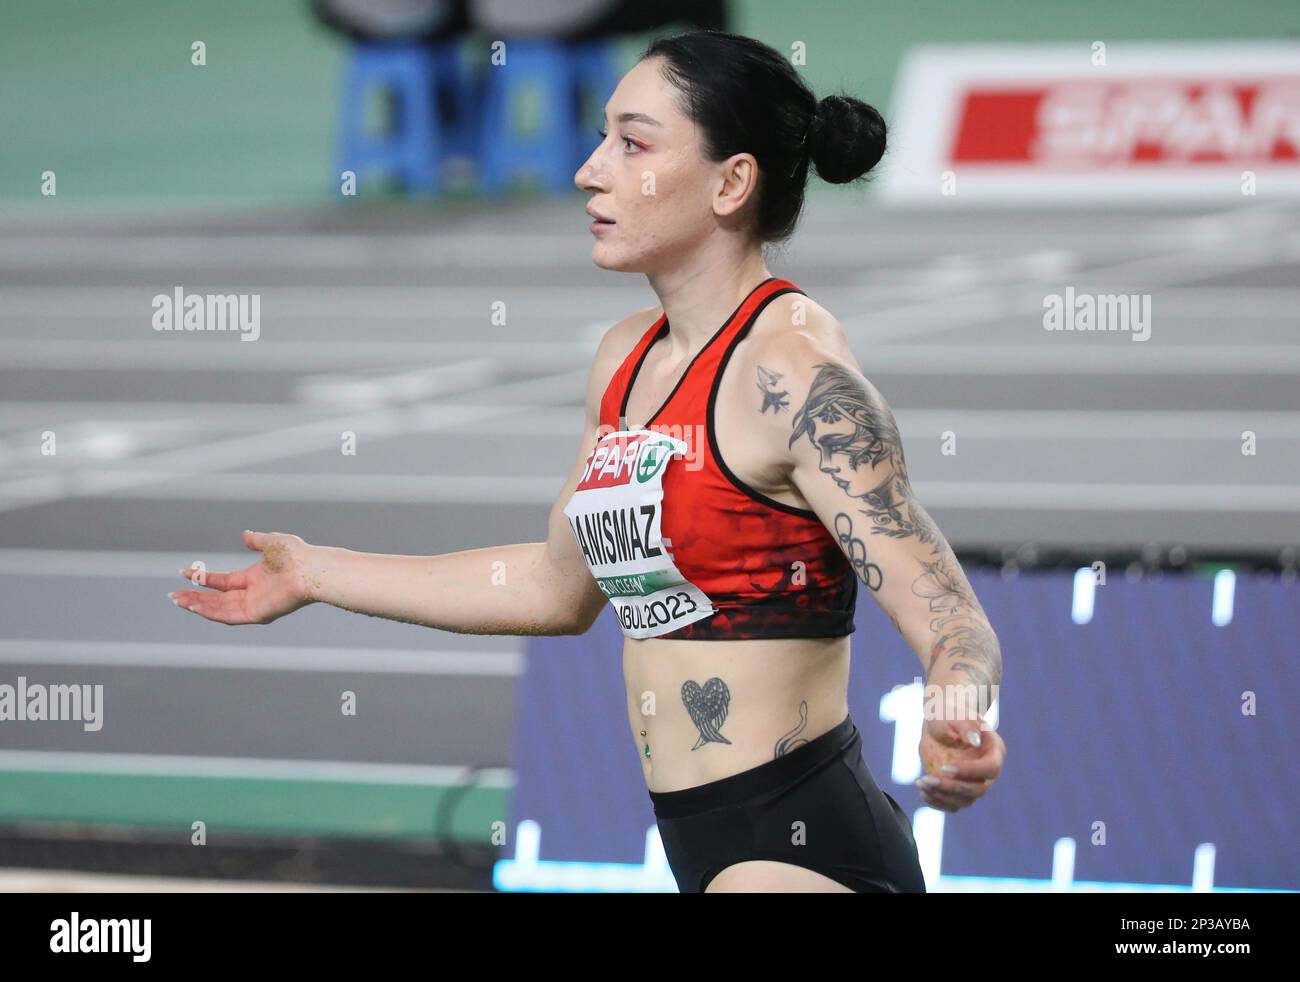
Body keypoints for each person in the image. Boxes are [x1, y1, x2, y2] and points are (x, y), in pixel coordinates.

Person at [170, 29, 1006, 894]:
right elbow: (555, 590)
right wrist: (315, 571)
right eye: (603, 136)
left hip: (801, 847)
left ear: (731, 182)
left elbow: (951, 619)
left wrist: (953, 712)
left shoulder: (792, 376)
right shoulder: (625, 361)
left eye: (632, 143)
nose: (589, 168)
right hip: (698, 839)